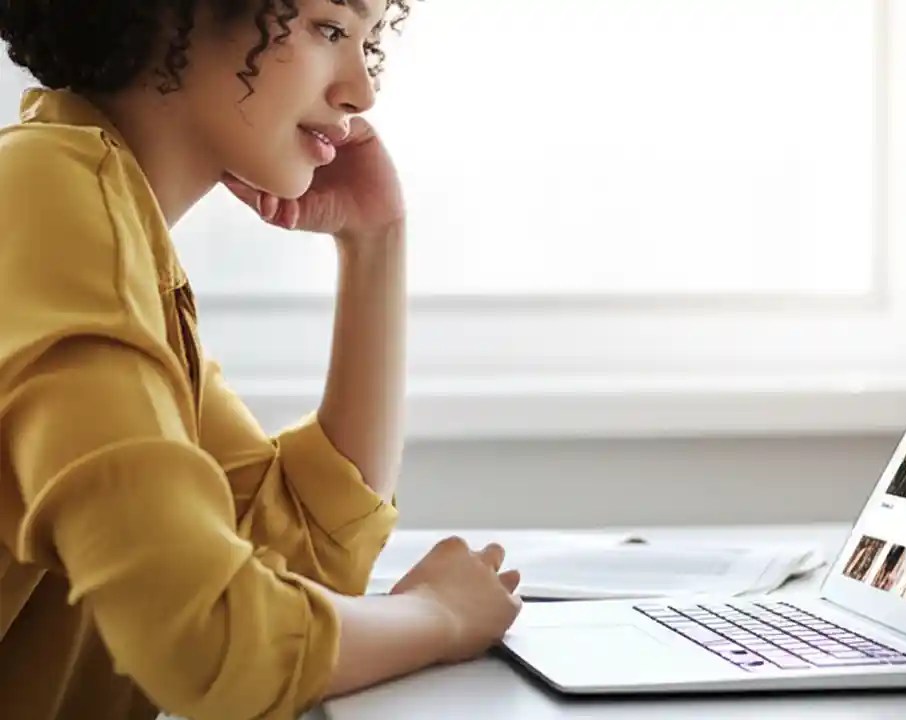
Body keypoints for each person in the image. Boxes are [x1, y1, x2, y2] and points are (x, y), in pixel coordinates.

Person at [0, 2, 524, 718]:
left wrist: (376, 244)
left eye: (367, 43)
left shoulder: (108, 221)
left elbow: (302, 558)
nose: (360, 91)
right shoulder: (47, 200)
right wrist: (440, 616)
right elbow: (212, 641)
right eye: (330, 30)